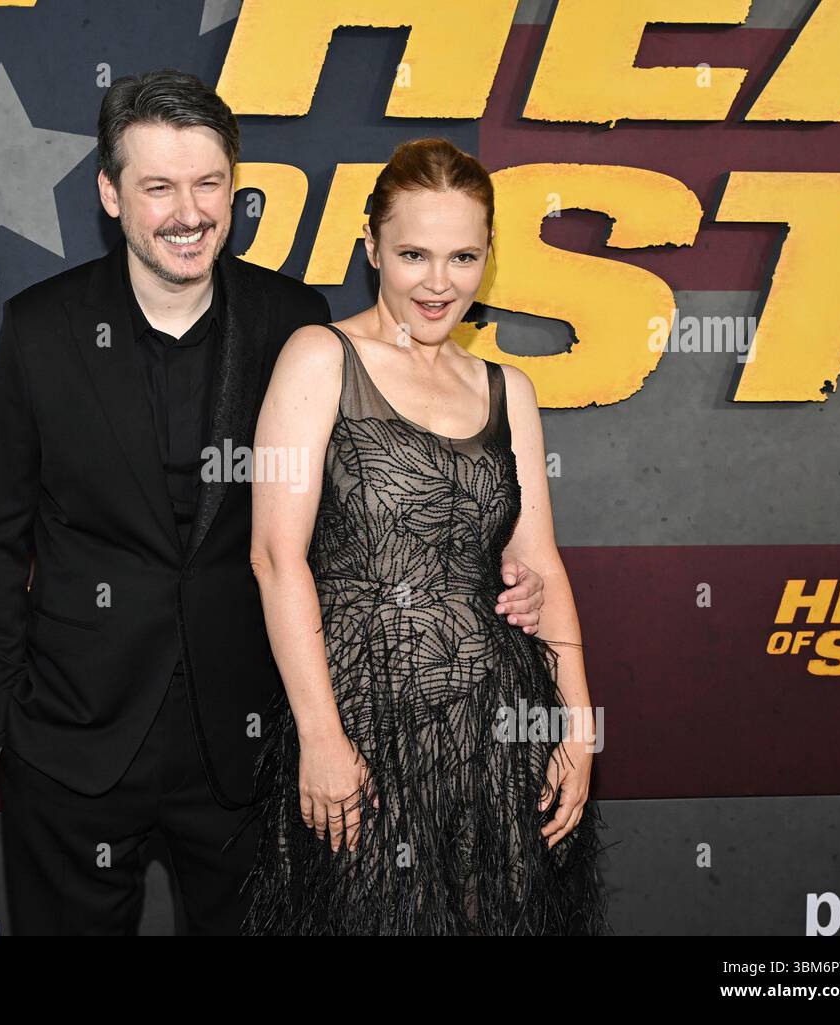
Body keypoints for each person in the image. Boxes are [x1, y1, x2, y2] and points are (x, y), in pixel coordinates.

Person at [0, 71, 549, 935]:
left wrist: (492, 574)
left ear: (234, 189)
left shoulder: (292, 323)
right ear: (110, 194)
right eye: (158, 186)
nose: (187, 211)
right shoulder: (40, 329)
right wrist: (5, 716)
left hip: (251, 740)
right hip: (72, 739)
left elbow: (364, 510)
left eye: (209, 184)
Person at [240, 138, 610, 935]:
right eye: (413, 253)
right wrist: (321, 736)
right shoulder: (319, 357)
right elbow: (275, 556)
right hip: (362, 724)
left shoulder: (509, 389)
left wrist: (576, 722)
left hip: (495, 723)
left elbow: (537, 561)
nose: (439, 282)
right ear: (371, 246)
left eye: (463, 256)